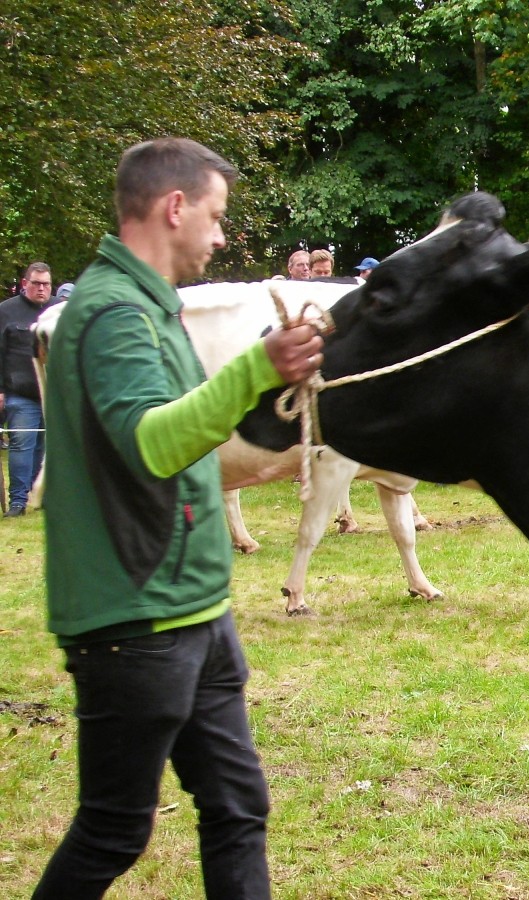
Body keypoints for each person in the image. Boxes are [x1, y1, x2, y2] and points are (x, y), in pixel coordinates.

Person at [32, 137, 324, 898]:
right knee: (114, 828)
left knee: (237, 805)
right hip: (134, 623)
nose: (222, 235)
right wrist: (258, 369)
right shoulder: (112, 314)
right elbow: (153, 443)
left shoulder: (150, 309)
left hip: (195, 608)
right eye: (217, 216)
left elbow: (188, 429)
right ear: (174, 207)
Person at [1, 262, 61, 515]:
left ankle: (45, 497)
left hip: (54, 394)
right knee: (21, 446)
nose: (42, 288)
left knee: (50, 449)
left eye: (46, 284)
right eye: (36, 283)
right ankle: (17, 501)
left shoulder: (60, 310)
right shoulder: (6, 311)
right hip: (20, 393)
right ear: (25, 283)